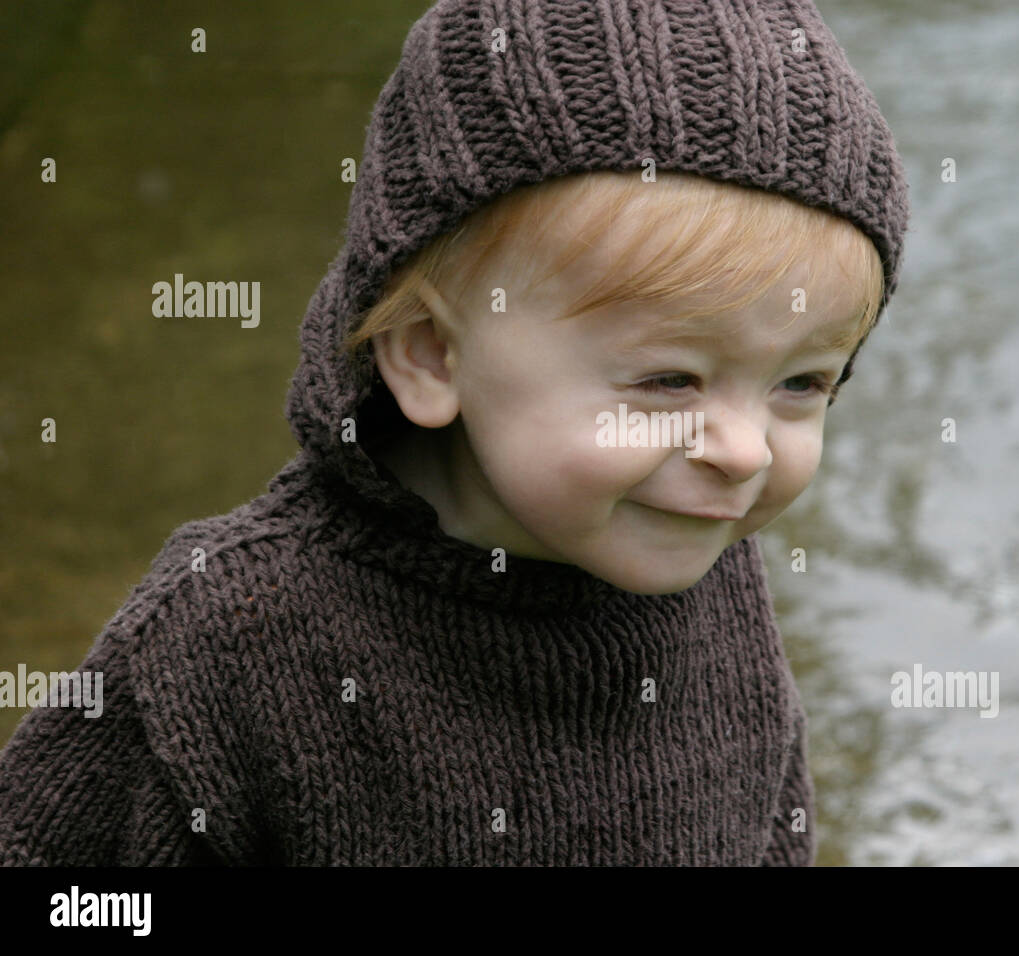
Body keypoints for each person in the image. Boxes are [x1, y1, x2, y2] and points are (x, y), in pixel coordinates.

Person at [0, 0, 908, 865]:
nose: (745, 452)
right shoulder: (231, 635)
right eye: (669, 379)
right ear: (431, 354)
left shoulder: (715, 586)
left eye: (803, 383)